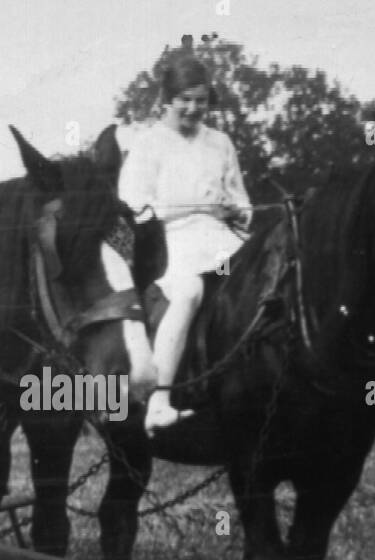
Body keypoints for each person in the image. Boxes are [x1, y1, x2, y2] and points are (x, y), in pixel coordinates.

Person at [117, 56, 252, 435]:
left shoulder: (220, 142)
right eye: (185, 100)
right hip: (170, 246)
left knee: (271, 276)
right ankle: (159, 401)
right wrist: (194, 206)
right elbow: (134, 209)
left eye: (202, 100)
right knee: (190, 290)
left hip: (224, 241)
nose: (194, 108)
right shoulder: (148, 144)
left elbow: (243, 201)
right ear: (167, 99)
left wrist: (234, 211)